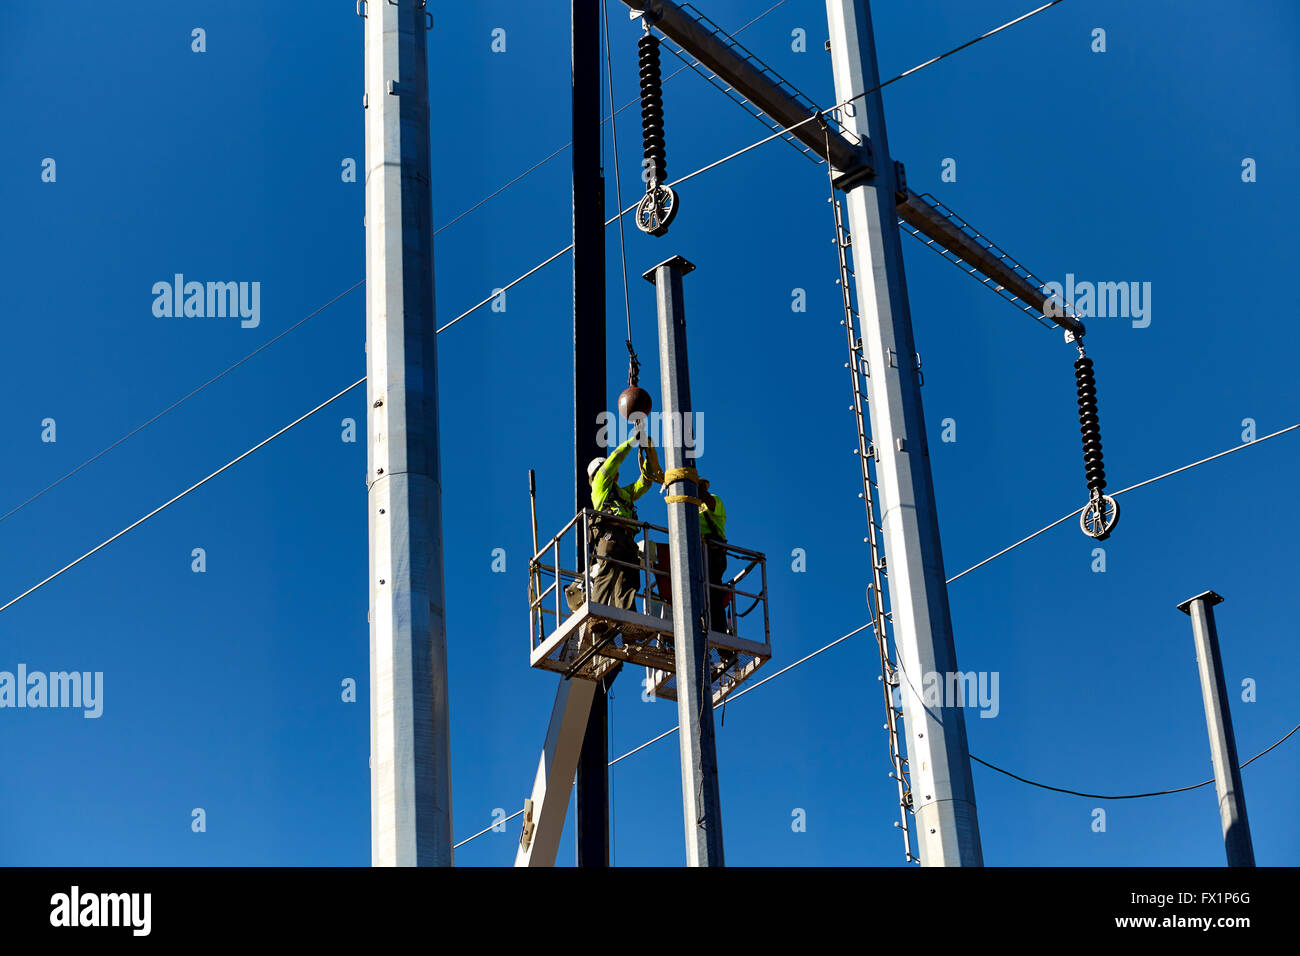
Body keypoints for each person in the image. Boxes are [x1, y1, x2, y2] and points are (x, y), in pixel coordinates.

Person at [586, 420, 661, 613]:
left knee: (628, 579)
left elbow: (644, 484)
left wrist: (646, 454)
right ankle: (598, 616)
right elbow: (614, 459)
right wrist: (632, 441)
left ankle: (628, 625)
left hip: (627, 539)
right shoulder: (599, 485)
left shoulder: (621, 494)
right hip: (610, 537)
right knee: (606, 574)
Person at [697, 477, 729, 634]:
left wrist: (699, 492)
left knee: (713, 594)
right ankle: (700, 628)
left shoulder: (713, 500)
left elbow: (711, 503)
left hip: (713, 553)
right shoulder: (689, 507)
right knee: (697, 592)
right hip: (697, 555)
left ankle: (719, 631)